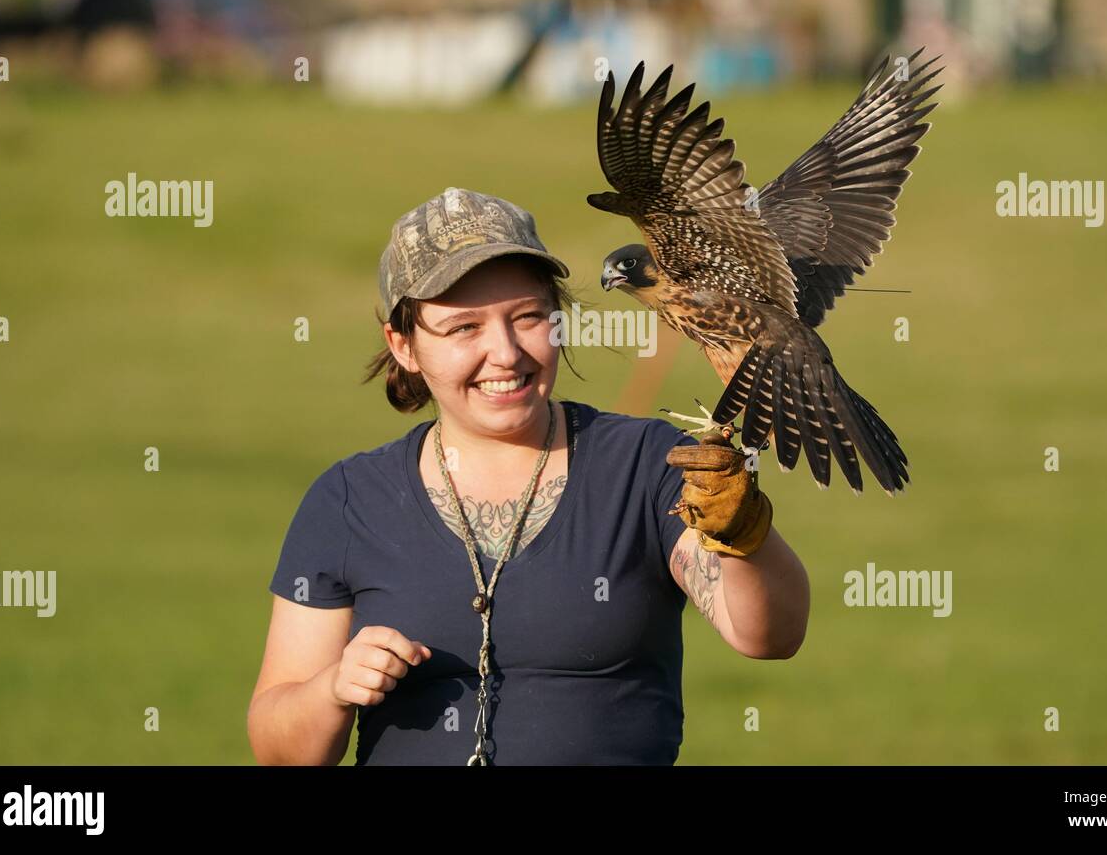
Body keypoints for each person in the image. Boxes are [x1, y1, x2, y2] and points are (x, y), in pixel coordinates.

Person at [246, 187, 810, 766]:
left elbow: (770, 635)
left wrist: (745, 538)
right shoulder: (349, 501)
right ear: (404, 345)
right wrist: (335, 687)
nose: (505, 352)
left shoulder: (648, 466)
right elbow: (279, 751)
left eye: (528, 317)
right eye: (464, 328)